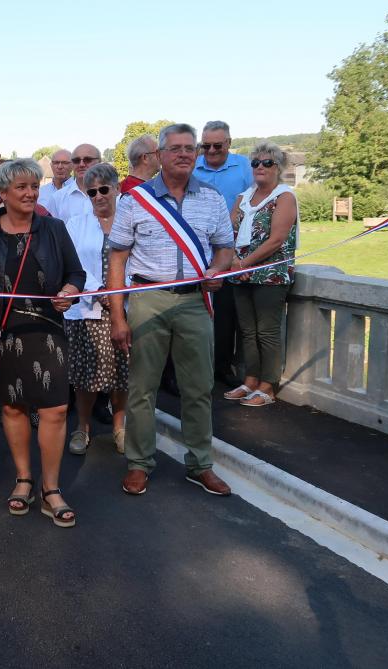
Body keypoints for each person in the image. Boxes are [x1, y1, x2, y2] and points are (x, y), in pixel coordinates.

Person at [108, 123, 235, 498]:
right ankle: (139, 463)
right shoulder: (134, 201)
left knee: (198, 387)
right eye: (175, 148)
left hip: (196, 301)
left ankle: (200, 464)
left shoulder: (212, 199)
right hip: (148, 297)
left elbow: (224, 247)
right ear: (160, 156)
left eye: (189, 148)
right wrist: (118, 316)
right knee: (142, 388)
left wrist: (217, 270)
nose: (183, 154)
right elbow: (116, 260)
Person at [0, 158, 85, 528]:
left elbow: (75, 272)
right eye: (21, 187)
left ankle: (51, 489)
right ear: (2, 193)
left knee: (55, 410)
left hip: (47, 330)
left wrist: (70, 290)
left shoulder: (53, 228)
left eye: (34, 186)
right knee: (13, 409)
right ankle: (24, 479)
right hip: (3, 333)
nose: (30, 193)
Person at [222, 143, 298, 408]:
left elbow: (276, 239)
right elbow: (226, 233)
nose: (260, 168)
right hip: (241, 273)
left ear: (278, 168)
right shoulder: (243, 198)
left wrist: (243, 264)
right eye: (255, 163)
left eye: (267, 163)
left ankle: (268, 386)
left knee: (266, 331)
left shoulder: (284, 196)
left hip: (270, 275)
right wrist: (233, 261)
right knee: (247, 331)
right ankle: (250, 380)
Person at [63, 163, 128, 456]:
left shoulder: (131, 219)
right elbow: (72, 263)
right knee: (86, 375)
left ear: (116, 188)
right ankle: (83, 427)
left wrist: (117, 293)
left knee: (122, 372)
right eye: (92, 192)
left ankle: (120, 426)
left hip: (123, 308)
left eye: (104, 189)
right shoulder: (76, 224)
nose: (99, 196)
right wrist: (99, 292)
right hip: (88, 309)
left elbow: (139, 259)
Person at [193, 120, 253, 386]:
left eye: (218, 145)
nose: (212, 150)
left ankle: (222, 365)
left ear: (229, 143)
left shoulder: (245, 167)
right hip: (195, 247)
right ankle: (196, 366)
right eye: (206, 145)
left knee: (226, 311)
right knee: (195, 311)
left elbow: (258, 198)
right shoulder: (193, 165)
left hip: (231, 248)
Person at [50, 144, 102, 223]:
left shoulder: (111, 195)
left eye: (87, 160)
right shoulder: (58, 198)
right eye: (76, 160)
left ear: (99, 162)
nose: (81, 164)